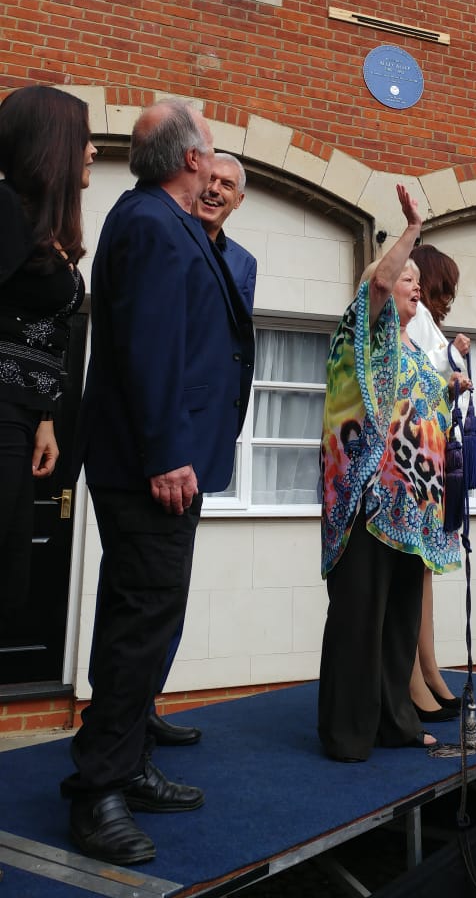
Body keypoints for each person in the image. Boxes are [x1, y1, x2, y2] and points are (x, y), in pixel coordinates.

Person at [61, 99, 253, 868]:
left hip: (170, 460)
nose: (213, 160)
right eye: (207, 147)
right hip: (154, 465)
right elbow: (147, 349)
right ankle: (96, 792)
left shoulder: (165, 220)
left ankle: (129, 760)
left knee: (143, 615)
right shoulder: (148, 221)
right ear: (188, 162)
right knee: (140, 622)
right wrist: (168, 451)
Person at [317, 185, 470, 762]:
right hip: (366, 504)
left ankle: (394, 723)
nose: (413, 286)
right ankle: (347, 732)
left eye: (413, 279)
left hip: (412, 511)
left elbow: (423, 407)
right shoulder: (365, 329)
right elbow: (380, 283)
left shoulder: (411, 349)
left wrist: (451, 384)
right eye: (408, 278)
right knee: (360, 618)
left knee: (399, 621)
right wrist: (412, 229)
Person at [147, 152, 257, 749]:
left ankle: (147, 703)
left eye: (228, 186)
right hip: (166, 443)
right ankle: (126, 714)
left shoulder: (243, 262)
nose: (215, 190)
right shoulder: (168, 235)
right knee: (148, 590)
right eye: (209, 179)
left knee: (175, 588)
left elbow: (233, 348)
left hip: (207, 443)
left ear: (240, 200)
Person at [0, 85, 95, 634]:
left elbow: (42, 335)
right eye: (83, 140)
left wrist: (44, 417)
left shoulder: (46, 230)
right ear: (52, 145)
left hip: (20, 416)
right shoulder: (4, 211)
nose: (91, 151)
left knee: (11, 585)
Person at [407, 242, 470, 720]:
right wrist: (451, 360)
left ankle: (428, 667)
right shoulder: (413, 322)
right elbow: (418, 381)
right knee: (413, 569)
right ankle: (415, 674)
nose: (447, 298)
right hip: (413, 463)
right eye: (442, 287)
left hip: (432, 461)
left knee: (423, 569)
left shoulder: (427, 324)